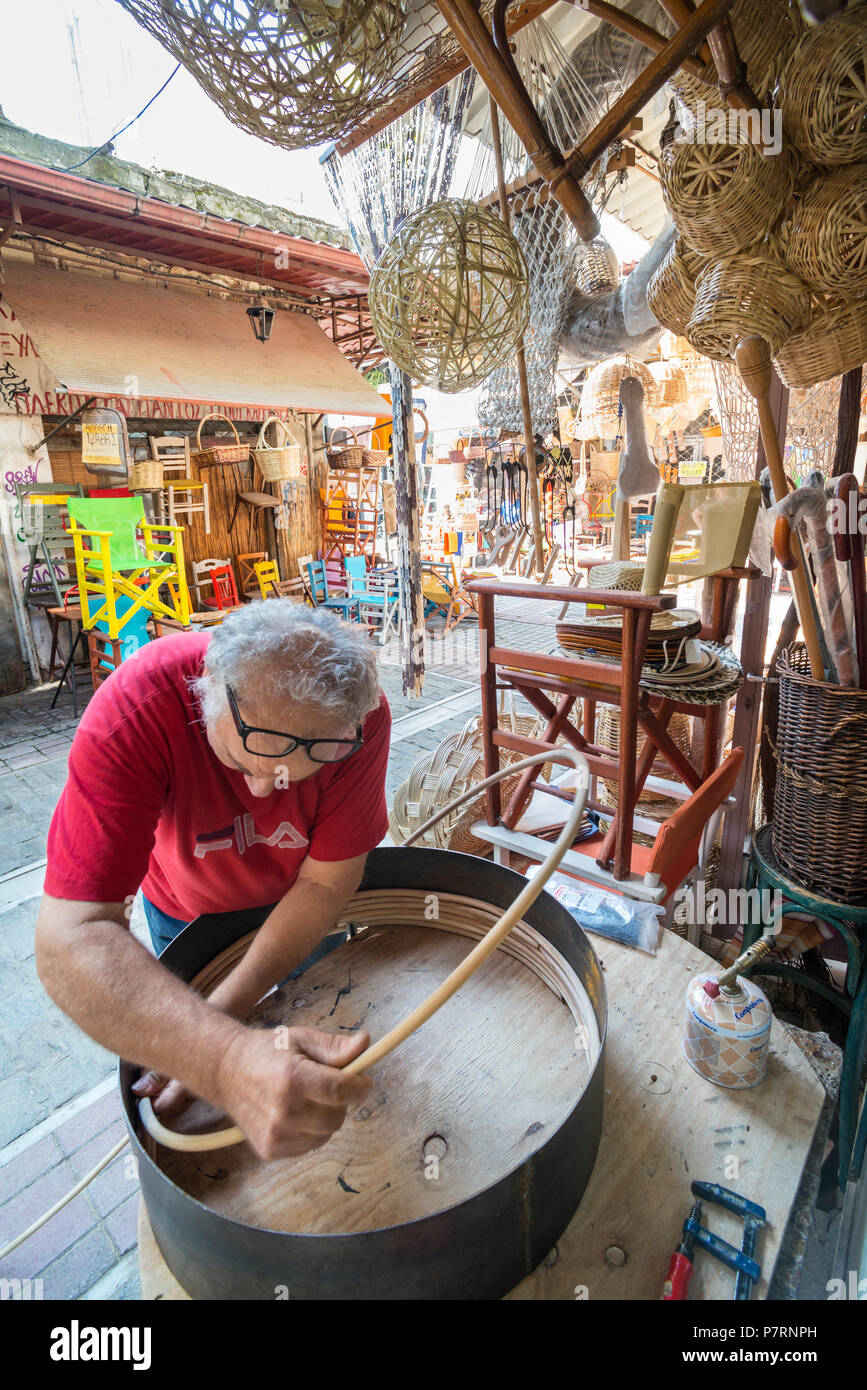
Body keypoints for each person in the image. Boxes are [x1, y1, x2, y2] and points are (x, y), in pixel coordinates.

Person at [36, 602, 391, 1159]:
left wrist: (224, 1016)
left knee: (326, 1025)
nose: (261, 794)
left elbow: (324, 885)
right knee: (186, 1051)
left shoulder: (354, 716)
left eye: (293, 777)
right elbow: (70, 934)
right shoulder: (138, 706)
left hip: (305, 904)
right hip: (186, 907)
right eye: (240, 760)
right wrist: (224, 1058)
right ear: (206, 693)